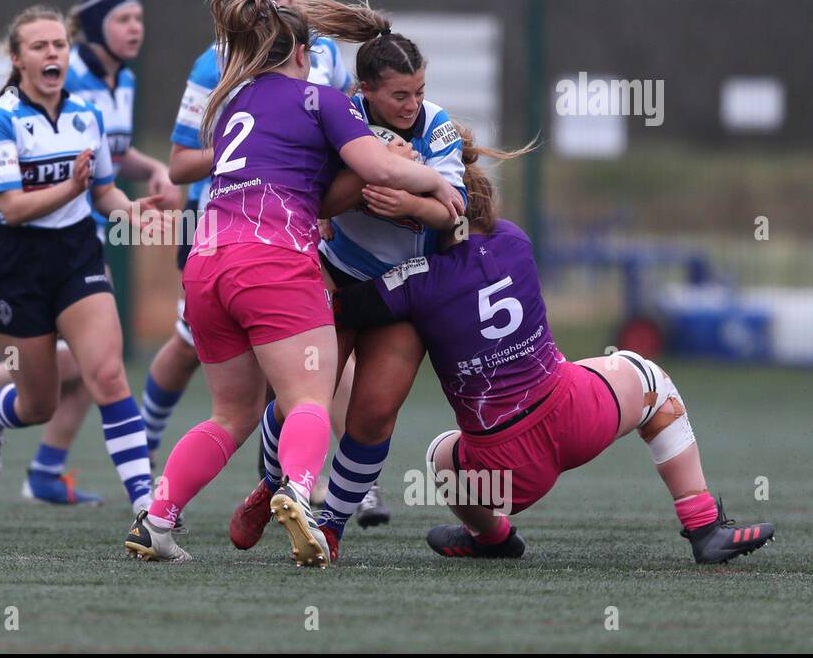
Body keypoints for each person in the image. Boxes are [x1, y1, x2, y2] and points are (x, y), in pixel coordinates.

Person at [123, 0, 461, 566]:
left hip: (206, 263)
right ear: (304, 52)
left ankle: (157, 519)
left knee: (229, 415)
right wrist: (434, 185)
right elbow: (379, 166)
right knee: (307, 396)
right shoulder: (321, 100)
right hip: (273, 259)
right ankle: (300, 494)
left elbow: (314, 185)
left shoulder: (233, 104)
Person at [330, 158, 775, 565]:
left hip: (504, 474)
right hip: (577, 418)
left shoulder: (413, 282)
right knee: (651, 379)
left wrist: (339, 222)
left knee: (439, 457)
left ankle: (491, 536)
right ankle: (702, 526)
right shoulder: (514, 241)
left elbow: (344, 307)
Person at [0, 0, 179, 507]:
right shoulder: (0, 119)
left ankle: (147, 508)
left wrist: (133, 212)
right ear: (18, 60)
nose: (52, 53)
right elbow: (11, 207)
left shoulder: (88, 114)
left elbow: (103, 191)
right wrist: (70, 187)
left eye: (59, 44)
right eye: (39, 47)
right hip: (15, 263)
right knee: (39, 402)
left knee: (106, 374)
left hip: (77, 254)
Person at [231, 31, 489, 561]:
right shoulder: (339, 115)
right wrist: (351, 188)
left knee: (373, 414)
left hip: (405, 289)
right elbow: (312, 195)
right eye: (400, 95)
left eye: (419, 91)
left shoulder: (436, 125)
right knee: (305, 397)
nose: (412, 104)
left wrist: (409, 204)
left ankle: (330, 527)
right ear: (366, 90)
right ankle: (269, 484)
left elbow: (453, 210)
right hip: (339, 277)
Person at [140, 0, 356, 476]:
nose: (266, 8)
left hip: (300, 222)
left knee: (314, 354)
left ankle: (298, 479)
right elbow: (180, 164)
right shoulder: (213, 63)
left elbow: (350, 130)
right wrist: (263, 153)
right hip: (233, 222)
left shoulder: (325, 56)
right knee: (203, 349)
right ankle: (142, 439)